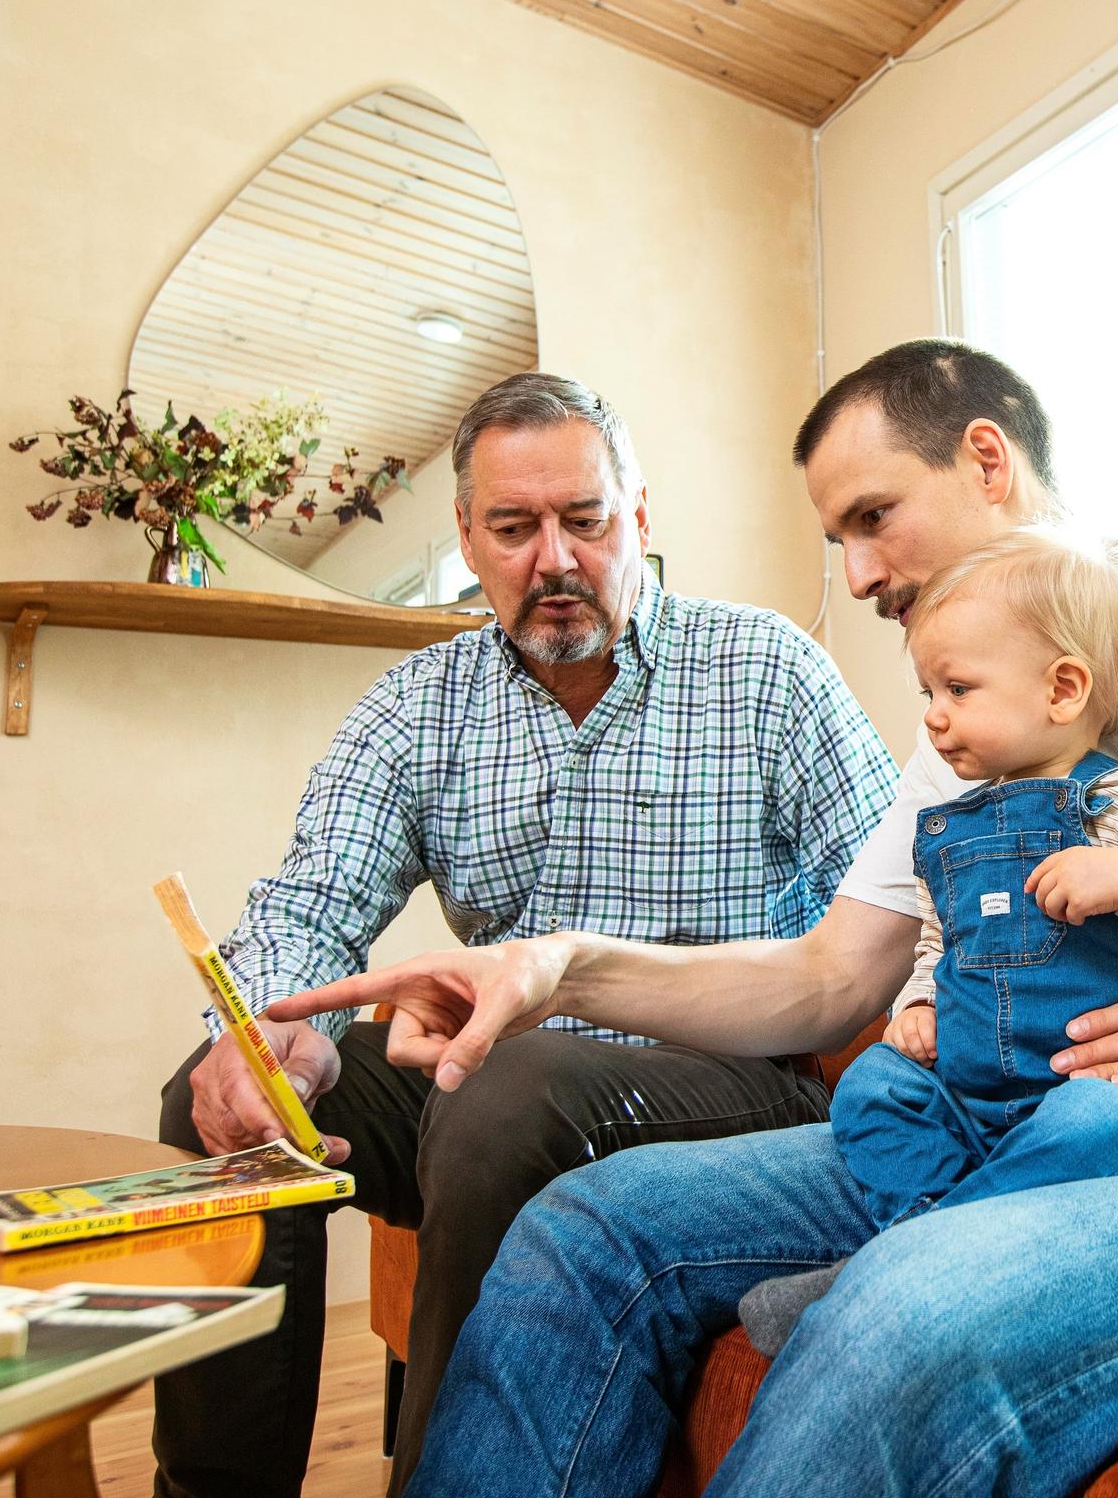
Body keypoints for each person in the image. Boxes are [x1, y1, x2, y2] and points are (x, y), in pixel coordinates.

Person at [277, 341, 1118, 1498]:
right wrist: (568, 963)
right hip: (1008, 1138)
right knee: (589, 1231)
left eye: (873, 519)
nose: (862, 575)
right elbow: (830, 977)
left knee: (914, 1311)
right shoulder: (957, 745)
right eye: (840, 543)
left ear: (988, 461)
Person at [151, 373, 898, 1498]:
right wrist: (263, 1038)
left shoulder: (768, 672)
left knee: (512, 1082)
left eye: (585, 521)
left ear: (638, 517)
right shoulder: (419, 708)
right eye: (513, 528)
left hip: (735, 1081)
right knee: (221, 1097)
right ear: (467, 536)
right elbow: (311, 904)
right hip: (494, 1086)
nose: (553, 559)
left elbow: (898, 898)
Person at [737, 528, 1118, 1350]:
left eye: (957, 687)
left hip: (1106, 1088)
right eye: (927, 694)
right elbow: (936, 948)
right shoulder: (946, 825)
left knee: (1096, 1130)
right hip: (970, 1093)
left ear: (1062, 690)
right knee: (869, 1089)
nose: (935, 718)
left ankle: (897, 1264)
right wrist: (915, 1006)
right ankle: (937, 1241)